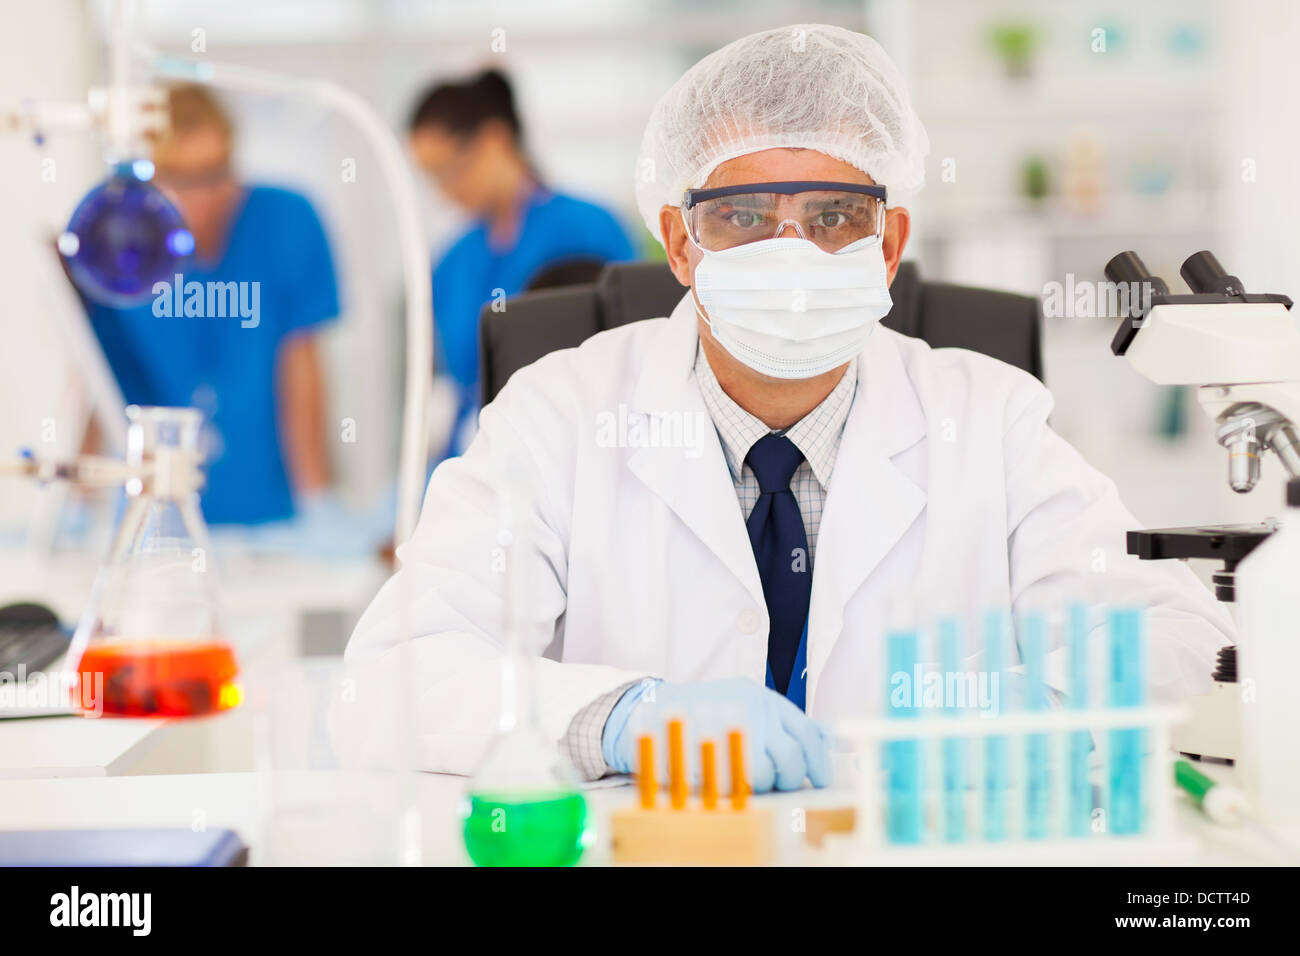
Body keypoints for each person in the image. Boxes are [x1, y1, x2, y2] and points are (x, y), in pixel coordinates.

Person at [340, 25, 1235, 791]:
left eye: (836, 216)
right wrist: (622, 719)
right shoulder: (559, 416)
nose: (794, 254)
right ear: (679, 244)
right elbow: (392, 680)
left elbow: (1186, 639)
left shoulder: (989, 421)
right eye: (743, 217)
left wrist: (1015, 715)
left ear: (889, 244)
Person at [85, 85, 338, 527]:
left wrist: (316, 501)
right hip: (151, 509)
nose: (202, 197)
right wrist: (79, 498)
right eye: (180, 178)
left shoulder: (287, 220)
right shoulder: (116, 234)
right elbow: (93, 369)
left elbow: (301, 366)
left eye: (215, 173)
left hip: (268, 511)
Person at [409, 69, 637, 452]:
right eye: (431, 178)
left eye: (448, 171)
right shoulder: (452, 262)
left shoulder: (589, 229)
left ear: (495, 139)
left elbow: (628, 354)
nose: (444, 193)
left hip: (577, 446)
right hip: (475, 451)